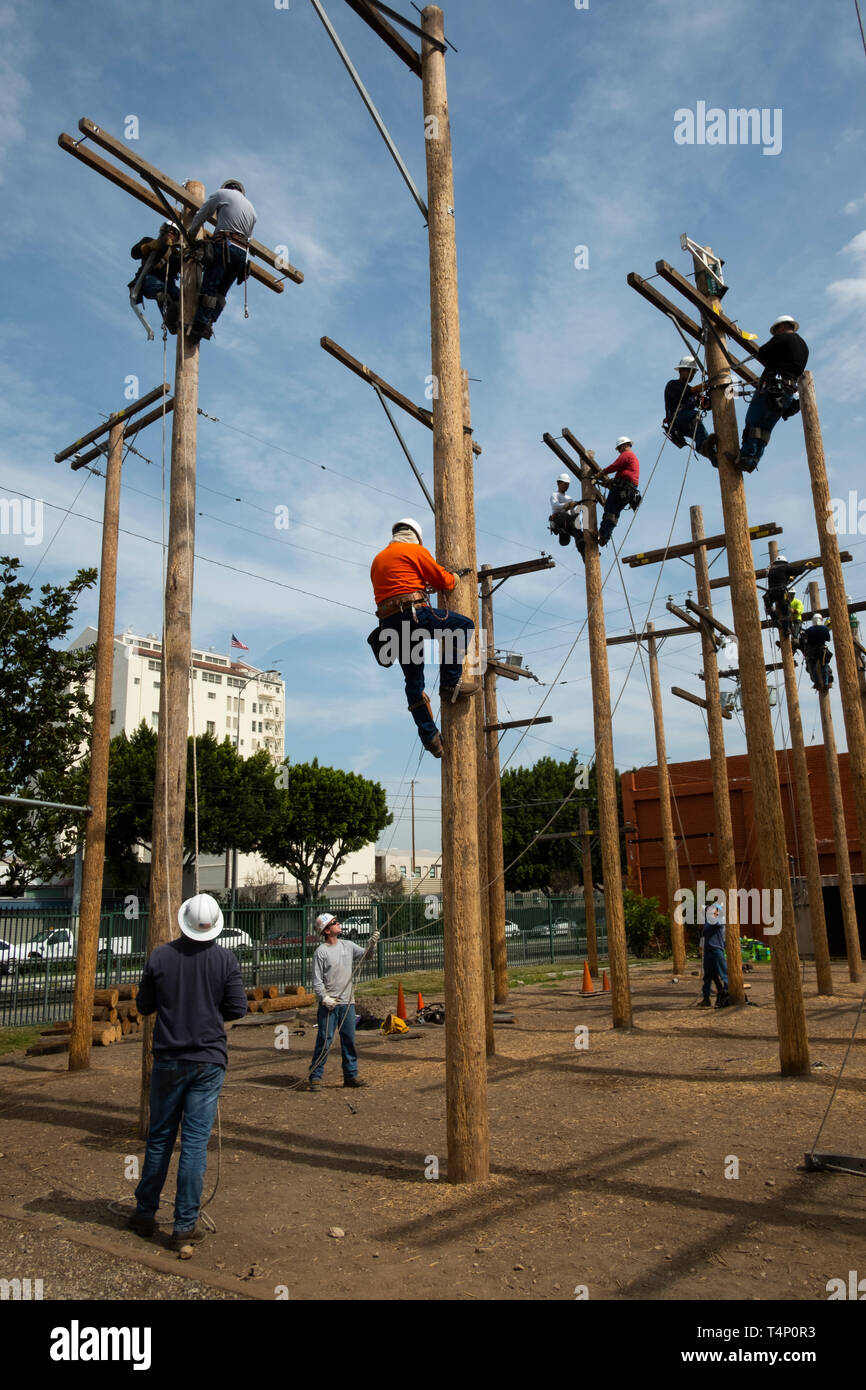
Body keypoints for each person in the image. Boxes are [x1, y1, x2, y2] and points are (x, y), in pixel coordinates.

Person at [130, 893, 247, 1248]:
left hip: (168, 1059)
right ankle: (184, 1225)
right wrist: (209, 1014)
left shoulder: (160, 956)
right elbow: (238, 1008)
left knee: (160, 1139)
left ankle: (146, 1214)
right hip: (208, 1062)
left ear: (184, 922)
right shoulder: (225, 959)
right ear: (214, 927)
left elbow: (144, 1005)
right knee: (194, 1144)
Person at [370, 517, 478, 759]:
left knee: (413, 682)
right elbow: (443, 580)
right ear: (415, 536)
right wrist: (455, 578)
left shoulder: (377, 561)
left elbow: (396, 587)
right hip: (414, 614)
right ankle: (452, 682)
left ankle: (429, 737)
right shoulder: (415, 551)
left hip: (391, 626)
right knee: (462, 626)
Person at [308, 913, 380, 1092]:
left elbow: (366, 957)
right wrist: (324, 998)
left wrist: (372, 945)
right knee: (325, 1040)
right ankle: (315, 1076)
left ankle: (350, 1076)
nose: (338, 923)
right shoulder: (321, 952)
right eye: (334, 922)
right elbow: (317, 981)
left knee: (349, 1039)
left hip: (348, 1003)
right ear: (326, 930)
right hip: (329, 1006)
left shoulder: (348, 946)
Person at [186, 180, 257, 342]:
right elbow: (249, 238)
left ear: (227, 187)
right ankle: (209, 322)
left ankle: (199, 325)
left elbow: (202, 214)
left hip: (226, 246)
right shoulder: (252, 210)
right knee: (221, 292)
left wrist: (191, 234)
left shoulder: (221, 194)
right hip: (240, 254)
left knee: (210, 285)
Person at [737, 316, 809, 472]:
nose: (775, 334)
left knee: (754, 421)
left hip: (772, 388)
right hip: (788, 394)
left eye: (776, 331)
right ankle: (753, 461)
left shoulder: (782, 338)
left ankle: (745, 457)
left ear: (781, 327)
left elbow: (762, 352)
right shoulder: (804, 346)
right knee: (766, 428)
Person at [128, 223, 181, 334]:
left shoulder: (175, 254)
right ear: (164, 230)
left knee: (181, 298)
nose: (172, 234)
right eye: (170, 230)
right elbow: (134, 253)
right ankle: (169, 318)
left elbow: (181, 268)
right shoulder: (150, 241)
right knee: (163, 294)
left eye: (175, 233)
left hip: (167, 284)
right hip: (148, 280)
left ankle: (176, 321)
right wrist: (148, 247)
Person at [663, 356, 717, 464]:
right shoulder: (672, 385)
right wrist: (697, 389)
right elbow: (680, 396)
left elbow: (701, 404)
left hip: (688, 424)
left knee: (705, 438)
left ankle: (716, 459)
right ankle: (704, 446)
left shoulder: (691, 391)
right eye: (690, 371)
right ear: (681, 370)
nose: (692, 375)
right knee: (694, 416)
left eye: (693, 373)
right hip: (676, 420)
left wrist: (708, 402)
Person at [597, 437, 640, 547]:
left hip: (623, 488)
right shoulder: (632, 458)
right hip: (628, 490)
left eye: (619, 448)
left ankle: (602, 535)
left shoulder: (627, 454)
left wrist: (602, 473)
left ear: (625, 445)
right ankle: (605, 537)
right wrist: (609, 482)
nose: (619, 451)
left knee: (609, 510)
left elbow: (615, 466)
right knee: (614, 513)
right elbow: (623, 475)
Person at [762, 555, 812, 637]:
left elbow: (779, 579)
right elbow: (797, 571)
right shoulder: (785, 567)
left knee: (768, 605)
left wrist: (788, 579)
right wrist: (805, 566)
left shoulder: (771, 570)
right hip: (781, 592)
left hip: (772, 593)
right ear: (785, 563)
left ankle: (775, 620)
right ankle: (786, 630)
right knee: (785, 611)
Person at [699, 899, 729, 1009]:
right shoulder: (708, 922)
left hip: (717, 950)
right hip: (708, 951)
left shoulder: (719, 921)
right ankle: (706, 998)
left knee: (724, 974)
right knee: (708, 976)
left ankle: (726, 996)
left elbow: (715, 923)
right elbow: (705, 933)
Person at [549, 472, 584, 549]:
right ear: (558, 483)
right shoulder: (555, 495)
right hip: (559, 518)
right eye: (565, 483)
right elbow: (555, 506)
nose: (567, 486)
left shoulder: (569, 498)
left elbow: (572, 512)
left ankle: (583, 548)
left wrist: (579, 508)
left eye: (568, 484)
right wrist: (567, 505)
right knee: (567, 518)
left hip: (568, 520)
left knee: (579, 533)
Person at [802, 616, 834, 691]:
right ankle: (825, 683)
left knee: (813, 668)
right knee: (824, 666)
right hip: (822, 650)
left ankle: (817, 683)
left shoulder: (809, 630)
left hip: (812, 652)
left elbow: (806, 641)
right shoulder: (824, 628)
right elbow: (828, 639)